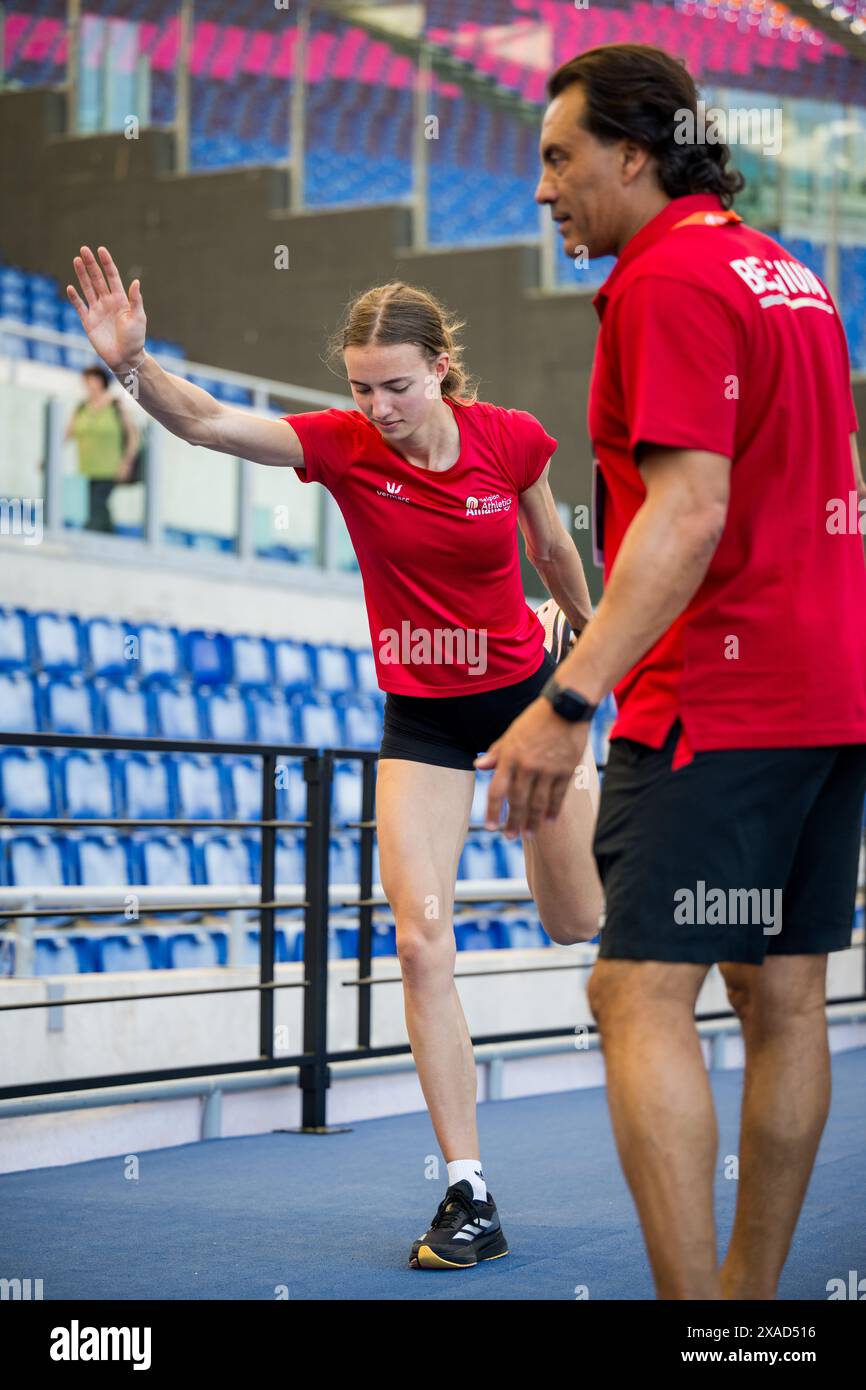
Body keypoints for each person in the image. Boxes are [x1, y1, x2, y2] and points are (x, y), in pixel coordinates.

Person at [66, 245, 604, 1271]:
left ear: (441, 367)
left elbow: (551, 550)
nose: (379, 405)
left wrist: (585, 653)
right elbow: (209, 422)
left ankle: (581, 817)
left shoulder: (512, 441)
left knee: (574, 917)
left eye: (395, 385)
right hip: (424, 722)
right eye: (360, 387)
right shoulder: (346, 447)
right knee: (417, 941)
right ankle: (468, 1189)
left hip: (527, 703)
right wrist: (133, 367)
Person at [477, 42, 866, 1299]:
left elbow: (685, 516)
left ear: (632, 157)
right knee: (782, 995)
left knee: (635, 990)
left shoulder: (668, 282)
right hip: (827, 689)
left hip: (722, 699)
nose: (542, 188)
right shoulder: (784, 271)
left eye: (558, 157)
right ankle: (744, 1321)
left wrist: (565, 698)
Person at [64, 364, 139, 533]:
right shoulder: (81, 408)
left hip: (109, 469)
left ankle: (94, 538)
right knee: (95, 507)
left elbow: (133, 436)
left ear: (100, 382)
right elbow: (66, 435)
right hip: (86, 468)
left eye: (91, 380)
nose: (88, 385)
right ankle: (109, 537)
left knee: (97, 506)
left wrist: (127, 462)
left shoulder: (116, 406)